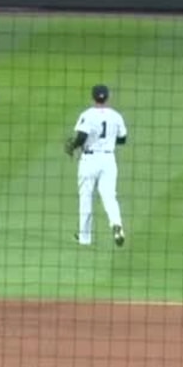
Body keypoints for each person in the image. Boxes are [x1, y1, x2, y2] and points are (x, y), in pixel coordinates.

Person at [64, 84, 128, 247]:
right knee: (109, 195)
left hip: (89, 160)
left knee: (86, 198)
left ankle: (85, 238)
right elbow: (122, 139)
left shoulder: (88, 115)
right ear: (108, 97)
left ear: (92, 97)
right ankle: (116, 224)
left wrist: (73, 146)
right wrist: (107, 141)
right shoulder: (116, 116)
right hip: (108, 160)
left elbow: (82, 136)